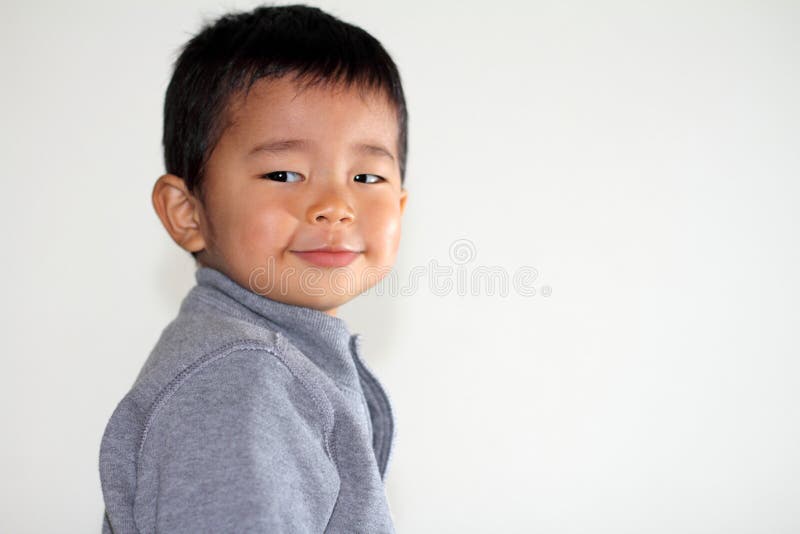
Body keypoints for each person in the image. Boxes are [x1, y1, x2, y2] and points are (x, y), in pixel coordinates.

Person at [98, 4, 409, 532]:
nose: (336, 206)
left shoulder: (276, 362)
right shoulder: (240, 381)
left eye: (367, 178)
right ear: (187, 212)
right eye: (284, 173)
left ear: (401, 206)